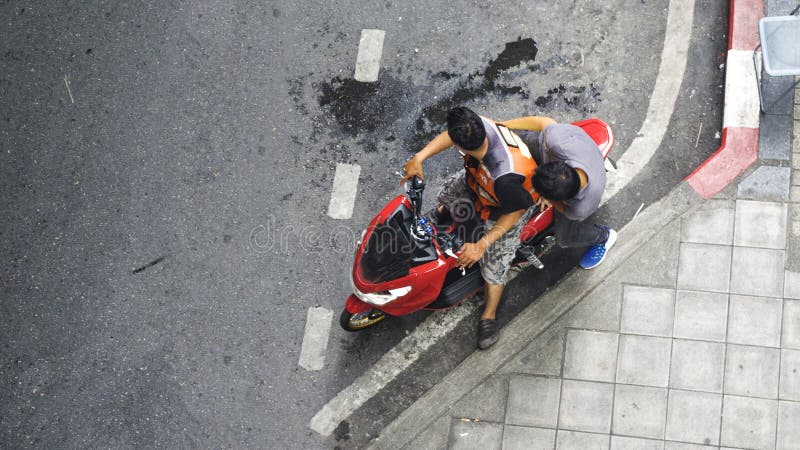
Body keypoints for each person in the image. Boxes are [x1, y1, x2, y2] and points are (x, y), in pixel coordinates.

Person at [401, 107, 542, 350]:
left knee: (494, 266)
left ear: (462, 147)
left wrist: (481, 245)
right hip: (479, 183)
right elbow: (450, 135)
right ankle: (444, 216)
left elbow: (515, 211)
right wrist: (419, 157)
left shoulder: (504, 177)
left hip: (506, 208)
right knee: (448, 194)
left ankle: (489, 315)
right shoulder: (479, 125)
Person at [514, 118, 617, 270]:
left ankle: (604, 237)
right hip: (578, 146)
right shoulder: (556, 142)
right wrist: (502, 125)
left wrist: (547, 198)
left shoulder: (579, 208)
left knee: (565, 238)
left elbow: (562, 208)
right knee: (515, 138)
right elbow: (542, 122)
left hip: (586, 161)